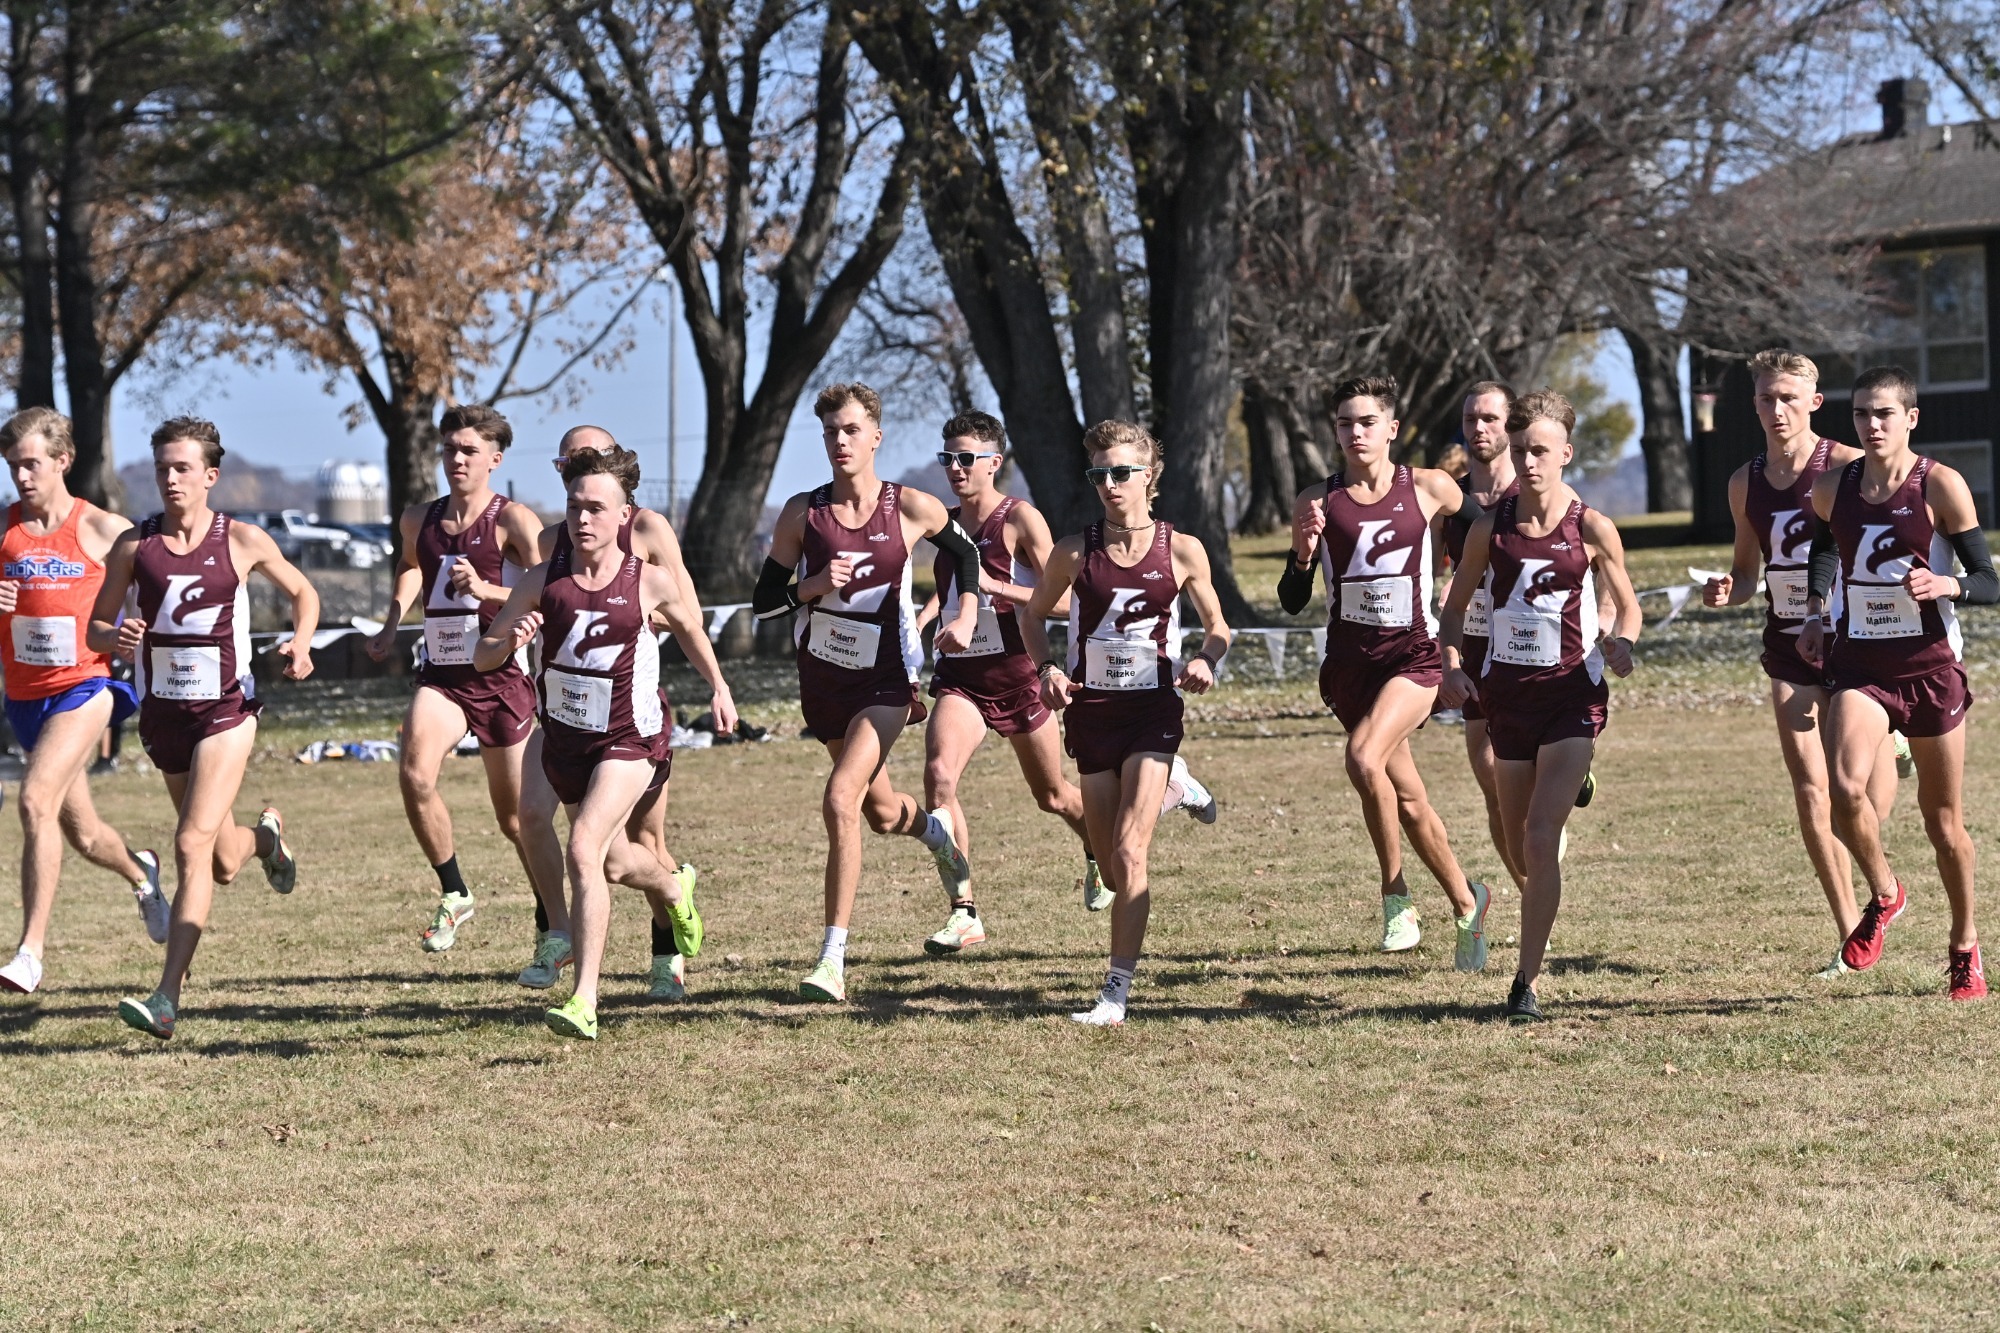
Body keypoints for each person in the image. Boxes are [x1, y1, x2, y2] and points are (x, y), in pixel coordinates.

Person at [912, 410, 1216, 955]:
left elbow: (1069, 601)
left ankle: (1124, 829)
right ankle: (963, 910)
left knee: (1052, 797)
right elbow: (960, 584)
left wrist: (995, 590)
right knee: (939, 777)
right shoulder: (943, 523)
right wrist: (931, 616)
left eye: (965, 459)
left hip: (1022, 676)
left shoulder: (1020, 519)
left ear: (993, 464)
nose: (954, 469)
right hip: (964, 677)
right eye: (946, 459)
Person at [477, 445, 734, 1040]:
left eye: (596, 508)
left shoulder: (648, 582)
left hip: (628, 741)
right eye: (574, 507)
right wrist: (512, 637)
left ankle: (584, 998)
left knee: (584, 847)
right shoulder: (544, 579)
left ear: (625, 516)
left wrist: (719, 687)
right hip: (564, 739)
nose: (583, 519)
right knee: (612, 861)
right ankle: (674, 885)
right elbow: (483, 653)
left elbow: (693, 632)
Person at [751, 382, 982, 1004]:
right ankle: (936, 836)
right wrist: (812, 585)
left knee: (840, 798)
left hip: (886, 679)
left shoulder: (908, 507)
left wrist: (963, 615)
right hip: (823, 682)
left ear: (876, 436)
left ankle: (831, 958)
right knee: (879, 814)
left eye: (851, 430)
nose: (840, 441)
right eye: (830, 432)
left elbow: (965, 557)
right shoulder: (803, 512)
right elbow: (763, 602)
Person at [91, 417, 318, 1040]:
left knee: (189, 844)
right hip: (164, 713)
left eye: (182, 467)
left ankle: (166, 998)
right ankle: (265, 840)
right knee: (219, 859)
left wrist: (300, 645)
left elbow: (304, 593)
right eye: (162, 467)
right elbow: (96, 628)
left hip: (227, 708)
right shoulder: (134, 547)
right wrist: (118, 637)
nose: (170, 478)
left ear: (210, 476)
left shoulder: (242, 540)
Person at [1020, 419, 1231, 1026]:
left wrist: (1204, 659)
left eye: (1121, 473)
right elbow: (1034, 619)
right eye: (1099, 474)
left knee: (1131, 854)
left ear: (1149, 476)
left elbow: (1218, 627)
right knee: (1111, 864)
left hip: (1152, 710)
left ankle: (1115, 994)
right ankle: (1177, 790)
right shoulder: (1073, 550)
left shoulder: (1182, 549)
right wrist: (1047, 671)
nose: (1109, 484)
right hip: (1091, 711)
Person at [1439, 389, 1642, 1021]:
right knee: (1511, 830)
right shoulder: (1487, 529)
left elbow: (1628, 604)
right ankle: (1539, 909)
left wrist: (1623, 641)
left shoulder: (1591, 527)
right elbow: (1453, 614)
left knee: (1537, 834)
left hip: (1572, 695)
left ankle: (1524, 982)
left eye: (1542, 452)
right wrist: (1449, 666)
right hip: (1508, 697)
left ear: (1566, 455)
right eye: (1521, 450)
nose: (1529, 463)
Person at [1276, 374, 1490, 970]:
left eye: (1367, 422)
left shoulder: (1428, 487)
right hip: (1350, 667)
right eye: (1345, 423)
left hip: (1413, 658)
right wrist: (1301, 552)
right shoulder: (1317, 500)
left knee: (1363, 759)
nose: (1355, 432)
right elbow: (1292, 599)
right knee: (1412, 801)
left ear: (1391, 429)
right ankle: (1469, 901)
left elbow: (1490, 533)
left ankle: (1395, 895)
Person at [1801, 365, 1995, 1000]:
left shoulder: (1941, 485)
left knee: (1943, 824)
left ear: (1911, 418)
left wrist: (1949, 585)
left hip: (1931, 669)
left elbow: (1991, 581)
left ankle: (1965, 945)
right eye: (1861, 414)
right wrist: (1814, 613)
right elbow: (1826, 548)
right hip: (1861, 666)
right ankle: (1886, 892)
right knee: (1844, 788)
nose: (1872, 424)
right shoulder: (1833, 485)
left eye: (1884, 413)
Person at [1702, 350, 1899, 976]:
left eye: (1789, 397)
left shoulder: (1843, 465)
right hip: (1787, 644)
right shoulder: (1744, 481)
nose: (1777, 409)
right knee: (1810, 791)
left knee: (1855, 797)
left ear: (1815, 402)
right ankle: (1850, 933)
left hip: (1855, 641)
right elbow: (1745, 565)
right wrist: (1727, 587)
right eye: (1766, 398)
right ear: (1754, 404)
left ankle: (1888, 765)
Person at [365, 405, 550, 960]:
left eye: (469, 450)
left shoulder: (514, 520)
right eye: (449, 449)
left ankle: (550, 919)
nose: (457, 459)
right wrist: (393, 618)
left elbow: (550, 589)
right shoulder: (418, 518)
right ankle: (455, 890)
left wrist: (489, 594)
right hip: (442, 674)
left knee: (516, 819)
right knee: (415, 773)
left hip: (501, 676)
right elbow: (411, 565)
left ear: (495, 459)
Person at [0, 408, 165, 995]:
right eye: (13, 466)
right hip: (24, 699)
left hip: (86, 687)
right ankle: (142, 873)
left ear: (63, 461)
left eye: (31, 464)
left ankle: (29, 953)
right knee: (85, 833)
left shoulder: (103, 530)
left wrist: (135, 633)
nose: (21, 477)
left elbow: (155, 597)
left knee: (34, 801)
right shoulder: (4, 531)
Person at [1436, 382, 1527, 894]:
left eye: (1490, 418)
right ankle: (1530, 888)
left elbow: (1592, 562)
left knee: (1523, 774)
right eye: (1471, 418)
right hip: (1473, 646)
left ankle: (1550, 803)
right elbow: (1430, 571)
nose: (1479, 428)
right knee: (1490, 780)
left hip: (1534, 648)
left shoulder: (1538, 488)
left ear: (1510, 425)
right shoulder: (1452, 497)